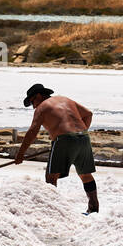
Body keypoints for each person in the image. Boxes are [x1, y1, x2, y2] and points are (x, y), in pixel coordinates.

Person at [14, 83, 99, 214]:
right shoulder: (65, 99)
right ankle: (93, 208)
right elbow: (88, 114)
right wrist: (78, 134)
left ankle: (53, 212)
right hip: (83, 137)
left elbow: (32, 132)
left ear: (39, 95)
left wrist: (20, 154)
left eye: (32, 102)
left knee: (51, 177)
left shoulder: (42, 108)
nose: (33, 106)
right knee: (85, 174)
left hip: (63, 139)